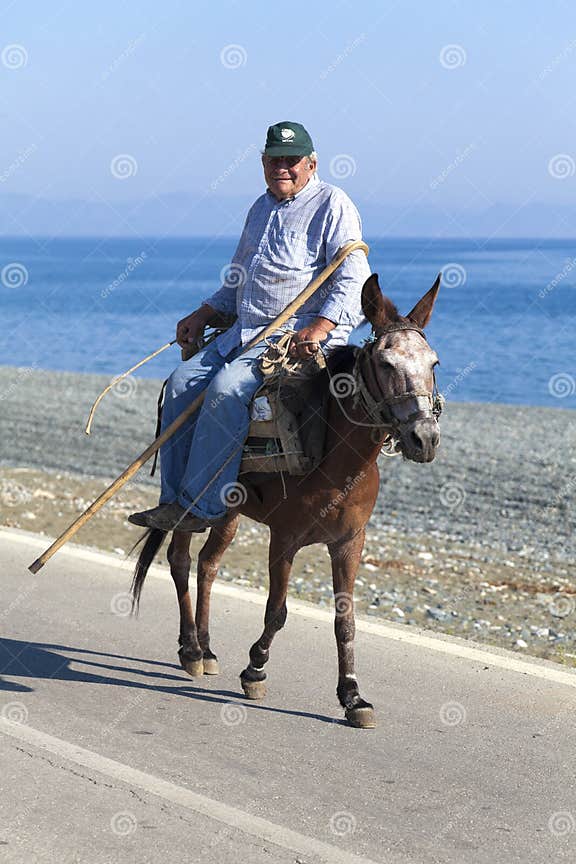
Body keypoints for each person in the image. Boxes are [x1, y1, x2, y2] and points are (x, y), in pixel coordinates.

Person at [129, 121, 370, 532]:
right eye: (274, 159)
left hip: (289, 336)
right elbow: (237, 279)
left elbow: (355, 277)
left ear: (311, 164)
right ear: (263, 163)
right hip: (242, 331)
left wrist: (322, 326)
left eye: (291, 160)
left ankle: (202, 507)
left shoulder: (333, 203)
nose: (283, 167)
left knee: (227, 390)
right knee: (180, 383)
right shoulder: (259, 208)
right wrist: (203, 314)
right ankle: (173, 502)